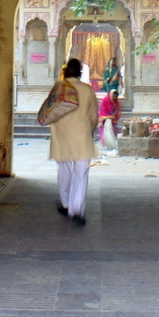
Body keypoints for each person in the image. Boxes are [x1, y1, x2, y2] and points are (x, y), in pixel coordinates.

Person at [50, 58, 98, 226]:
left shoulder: (58, 89)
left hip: (61, 137)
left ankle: (66, 204)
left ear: (65, 72)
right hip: (81, 137)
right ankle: (77, 210)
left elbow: (48, 113)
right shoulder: (87, 90)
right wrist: (89, 131)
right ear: (79, 73)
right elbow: (93, 117)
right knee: (81, 172)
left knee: (64, 170)